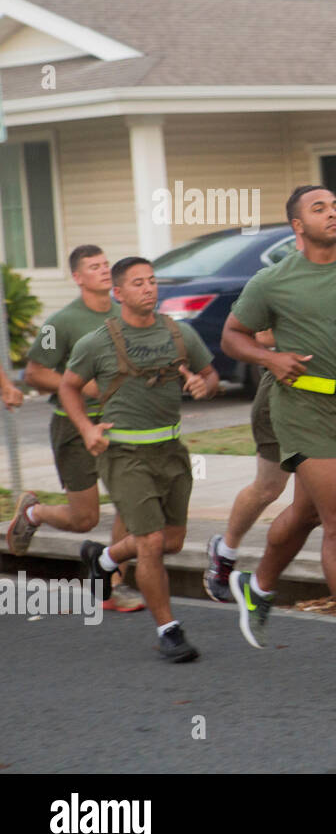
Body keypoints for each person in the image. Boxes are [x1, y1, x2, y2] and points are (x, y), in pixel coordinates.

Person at [220, 185, 336, 682]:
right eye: (319, 208)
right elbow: (232, 335)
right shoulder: (274, 280)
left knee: (306, 514)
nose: (333, 213)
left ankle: (257, 587)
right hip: (300, 404)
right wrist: (269, 358)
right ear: (297, 227)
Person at [63, 256, 219, 661]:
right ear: (118, 293)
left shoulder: (179, 333)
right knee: (149, 542)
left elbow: (211, 375)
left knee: (172, 541)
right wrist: (86, 428)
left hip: (171, 452)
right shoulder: (97, 341)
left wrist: (205, 385)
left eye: (151, 281)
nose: (148, 288)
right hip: (124, 454)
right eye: (137, 283)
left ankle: (105, 557)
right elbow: (69, 387)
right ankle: (169, 630)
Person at [203, 332, 336, 619]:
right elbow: (258, 336)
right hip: (286, 393)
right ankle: (225, 549)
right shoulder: (282, 286)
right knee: (268, 488)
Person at [7, 245, 142, 611]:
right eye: (93, 267)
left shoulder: (125, 312)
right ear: (77, 278)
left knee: (131, 502)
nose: (102, 270)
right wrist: (85, 386)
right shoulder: (61, 322)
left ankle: (112, 587)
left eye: (105, 265)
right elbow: (34, 373)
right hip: (74, 426)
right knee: (85, 519)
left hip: (121, 424)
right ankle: (34, 513)